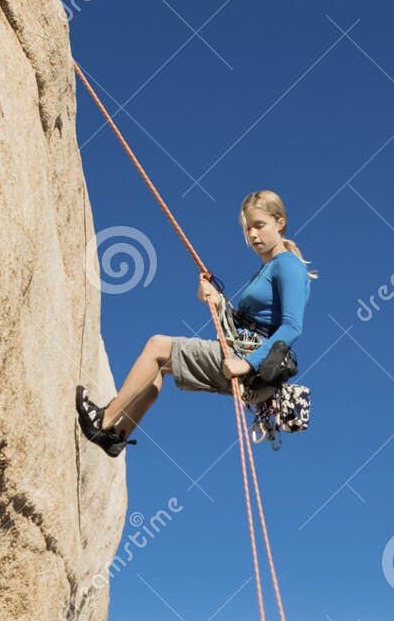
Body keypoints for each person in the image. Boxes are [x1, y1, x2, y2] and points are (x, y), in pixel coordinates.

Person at [76, 189, 316, 456]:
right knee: (157, 367)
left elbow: (292, 326)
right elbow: (252, 321)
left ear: (279, 222)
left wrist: (246, 364)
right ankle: (118, 434)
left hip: (249, 361)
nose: (253, 235)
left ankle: (105, 420)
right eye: (248, 228)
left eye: (259, 226)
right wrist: (217, 301)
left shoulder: (288, 266)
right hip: (244, 355)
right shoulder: (269, 268)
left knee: (157, 347)